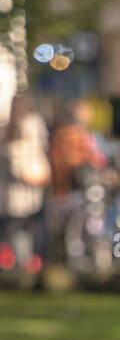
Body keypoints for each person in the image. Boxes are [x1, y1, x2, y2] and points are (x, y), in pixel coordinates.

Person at [0, 92, 51, 270]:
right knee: (31, 225)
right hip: (27, 185)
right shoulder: (31, 123)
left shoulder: (8, 128)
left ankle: (12, 256)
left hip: (14, 191)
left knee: (13, 226)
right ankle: (30, 260)